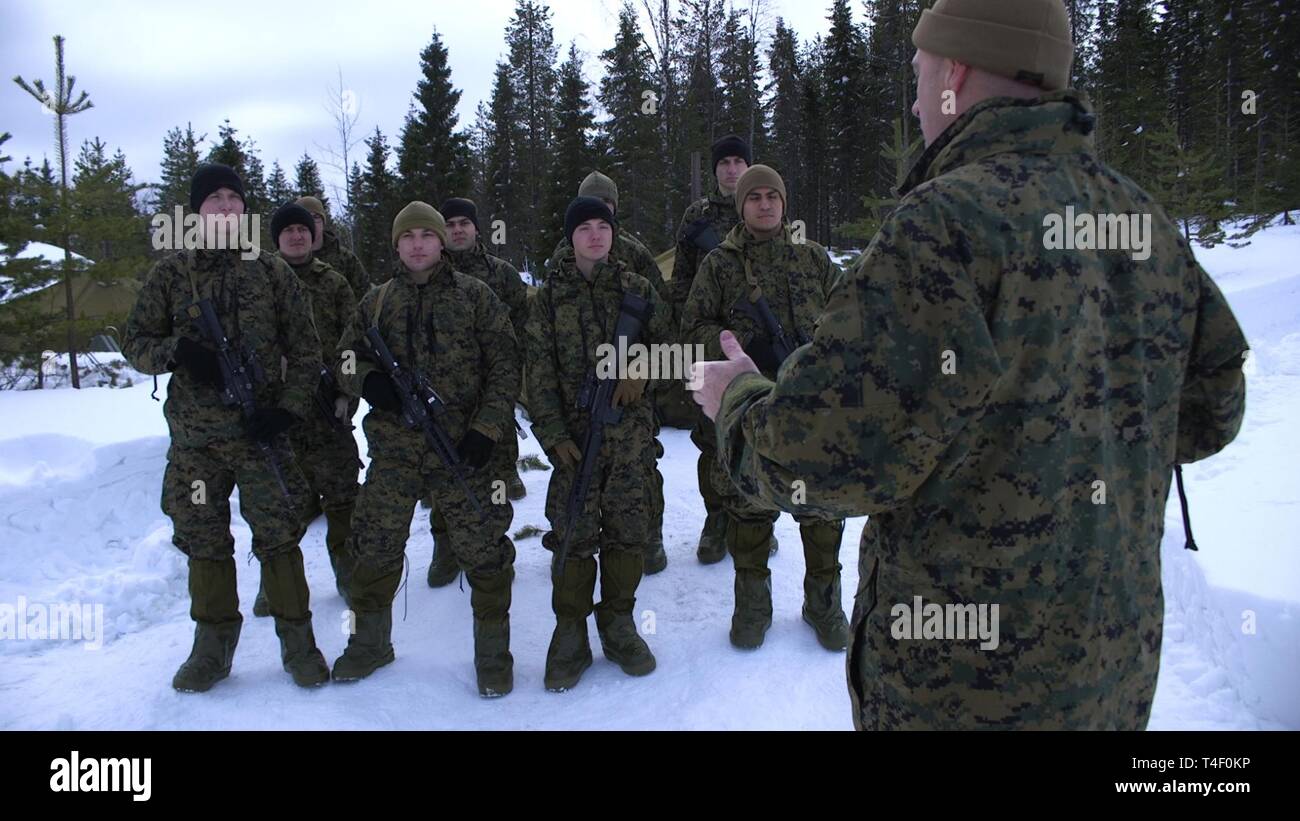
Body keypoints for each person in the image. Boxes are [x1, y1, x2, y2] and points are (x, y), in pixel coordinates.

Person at [690, 0, 1248, 729]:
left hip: (963, 692)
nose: (917, 96)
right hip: (1111, 677)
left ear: (953, 70)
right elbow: (1212, 411)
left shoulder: (943, 225)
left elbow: (818, 458)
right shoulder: (1144, 222)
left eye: (919, 73)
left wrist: (737, 398)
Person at [123, 163, 329, 691]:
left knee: (280, 539)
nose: (223, 207)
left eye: (232, 198)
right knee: (204, 541)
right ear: (197, 211)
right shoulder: (171, 274)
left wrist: (287, 408)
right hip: (197, 445)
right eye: (212, 199)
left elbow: (307, 351)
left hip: (261, 438)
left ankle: (299, 644)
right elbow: (136, 344)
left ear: (243, 209)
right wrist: (180, 352)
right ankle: (211, 649)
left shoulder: (271, 271)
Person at [332, 202, 521, 697]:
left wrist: (486, 429)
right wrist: (370, 382)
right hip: (395, 452)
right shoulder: (375, 303)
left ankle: (493, 655)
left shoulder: (475, 297)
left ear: (442, 243)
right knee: (372, 549)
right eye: (408, 235)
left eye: (427, 235)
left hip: (460, 449)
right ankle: (369, 643)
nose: (418, 243)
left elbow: (506, 366)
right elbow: (345, 358)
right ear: (396, 245)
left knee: (485, 553)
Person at [681, 164, 848, 651]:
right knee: (749, 511)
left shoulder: (812, 258)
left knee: (821, 515)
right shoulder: (720, 264)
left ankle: (824, 605)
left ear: (783, 202)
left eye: (772, 195)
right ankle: (752, 607)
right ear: (742, 206)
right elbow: (691, 329)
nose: (764, 204)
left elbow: (850, 316)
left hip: (812, 411)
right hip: (752, 411)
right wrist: (739, 347)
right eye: (753, 197)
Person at [524, 197, 674, 691]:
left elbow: (676, 350)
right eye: (584, 228)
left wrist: (641, 372)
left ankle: (618, 625)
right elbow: (537, 375)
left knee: (629, 535)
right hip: (575, 443)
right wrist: (553, 436)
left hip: (629, 443)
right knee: (572, 537)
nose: (595, 236)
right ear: (570, 237)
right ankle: (570, 632)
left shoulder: (638, 288)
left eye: (603, 227)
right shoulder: (547, 300)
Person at [422, 197, 529, 589]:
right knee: (441, 474)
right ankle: (445, 546)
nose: (457, 230)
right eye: (449, 224)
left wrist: (509, 383)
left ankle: (496, 546)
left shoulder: (500, 275)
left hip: (492, 398)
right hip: (441, 403)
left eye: (464, 222)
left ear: (477, 229)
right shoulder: (425, 278)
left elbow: (524, 327)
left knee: (497, 477)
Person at [296, 195, 369, 297]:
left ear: (323, 222)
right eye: (304, 217)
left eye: (316, 217)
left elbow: (365, 297)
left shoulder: (345, 259)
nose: (310, 222)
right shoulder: (286, 260)